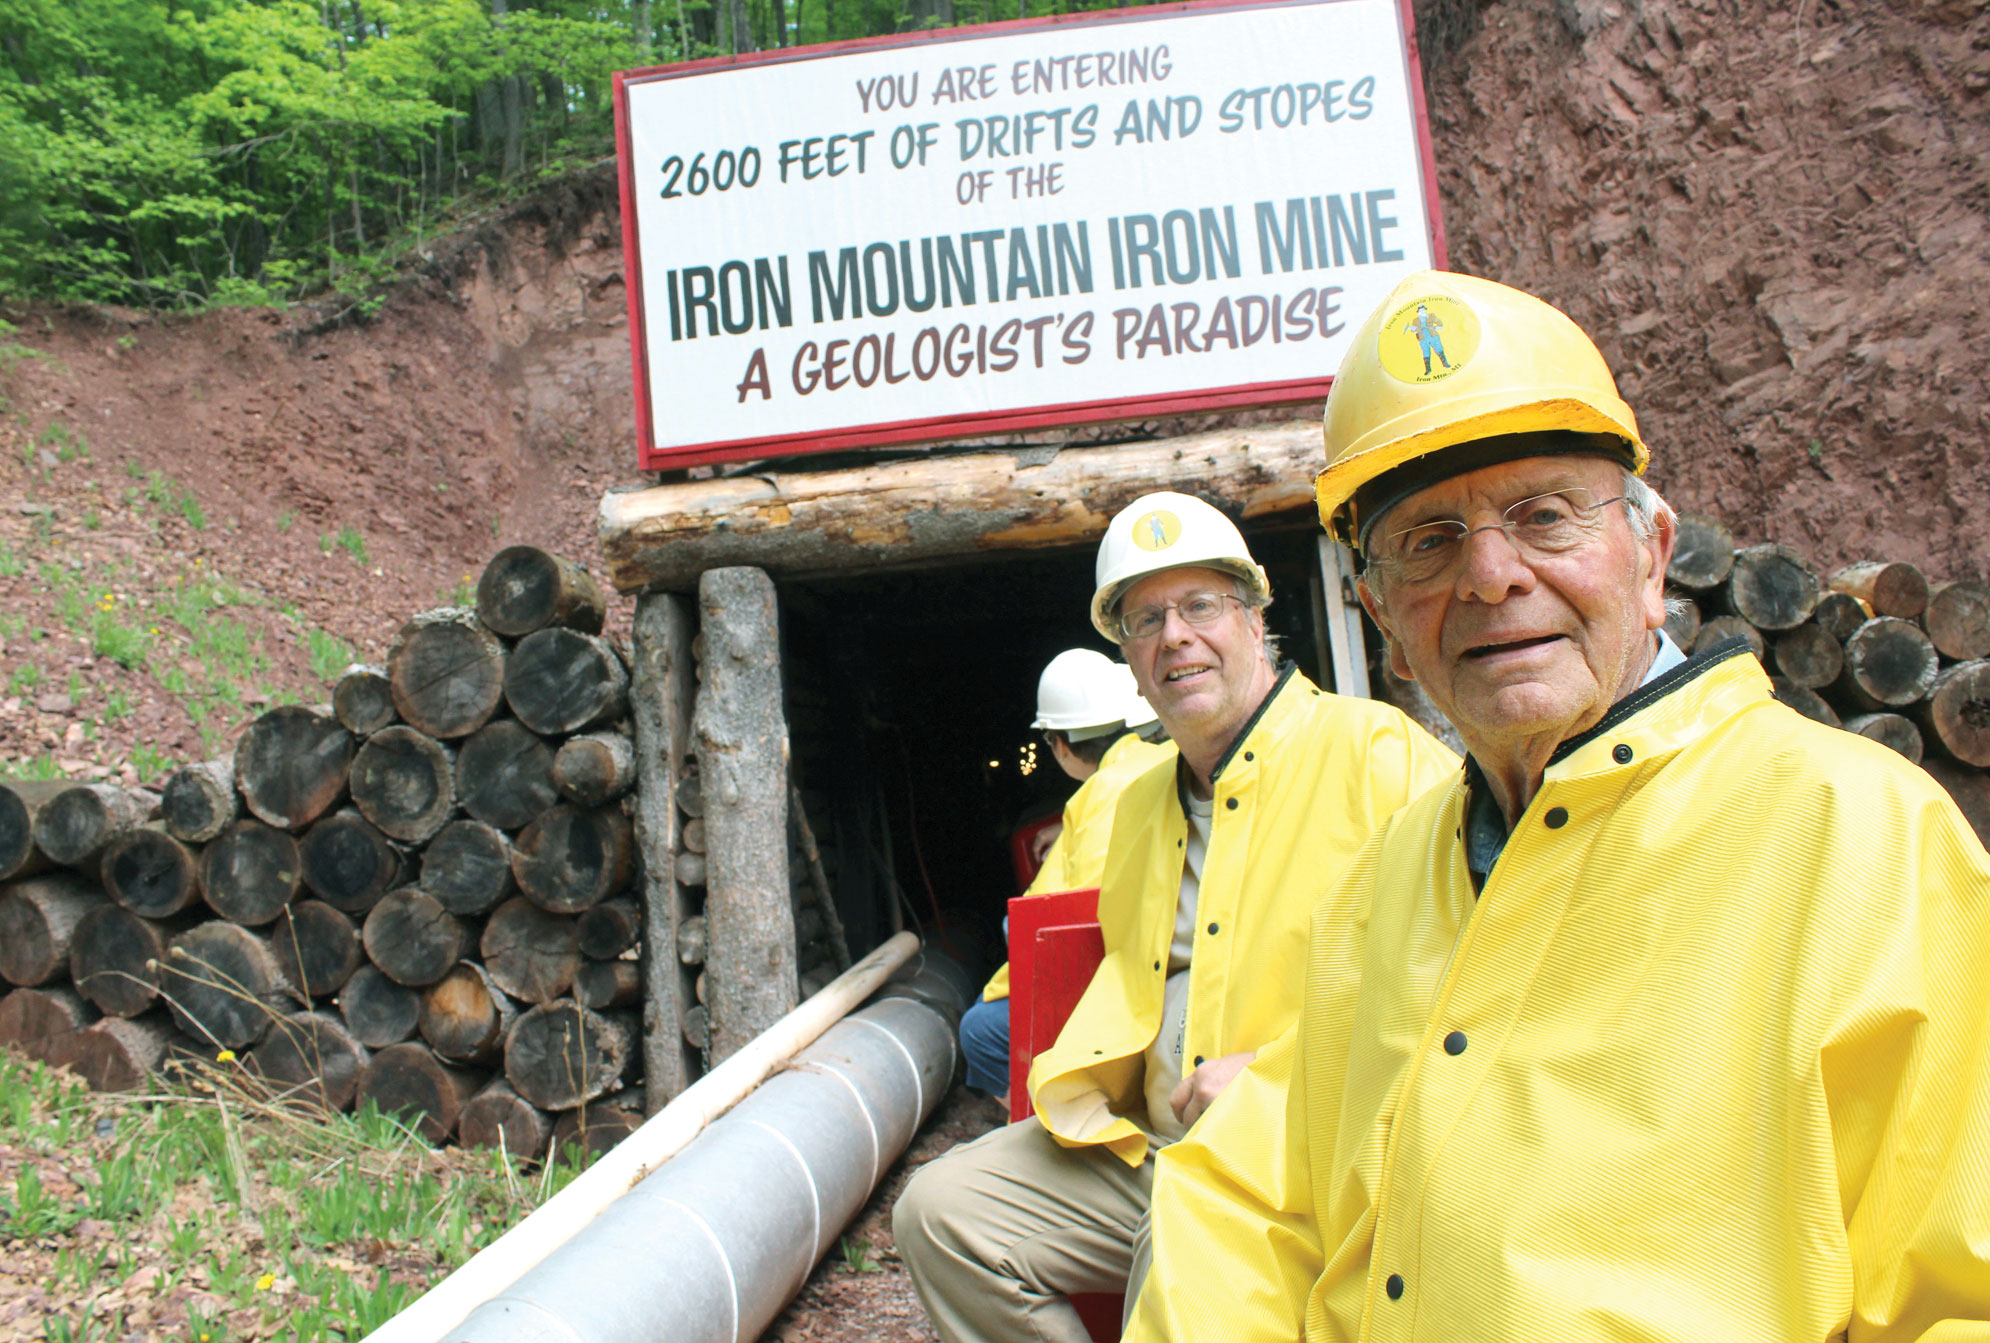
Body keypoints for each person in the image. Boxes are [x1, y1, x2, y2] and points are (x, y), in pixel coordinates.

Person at [1126, 270, 1990, 1341]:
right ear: (1386, 624)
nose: (1490, 575)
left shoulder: (1861, 839)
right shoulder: (1388, 878)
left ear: (1652, 558)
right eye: (1429, 541)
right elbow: (1258, 1193)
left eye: (1543, 515)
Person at [895, 492, 1458, 1343]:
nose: (1175, 637)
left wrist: (1276, 1076)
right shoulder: (1135, 805)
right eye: (1145, 620)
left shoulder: (1380, 757)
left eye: (1201, 605)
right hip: (1157, 1144)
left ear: (1255, 616)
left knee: (1188, 1239)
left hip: (1306, 1155)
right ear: (1128, 657)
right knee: (942, 1212)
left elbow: (1462, 987)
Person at [960, 649, 1174, 1105]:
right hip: (1166, 956)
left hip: (1121, 978)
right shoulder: (1166, 759)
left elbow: (1068, 921)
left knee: (981, 1029)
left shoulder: (1098, 794)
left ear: (1059, 744)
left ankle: (1051, 1126)